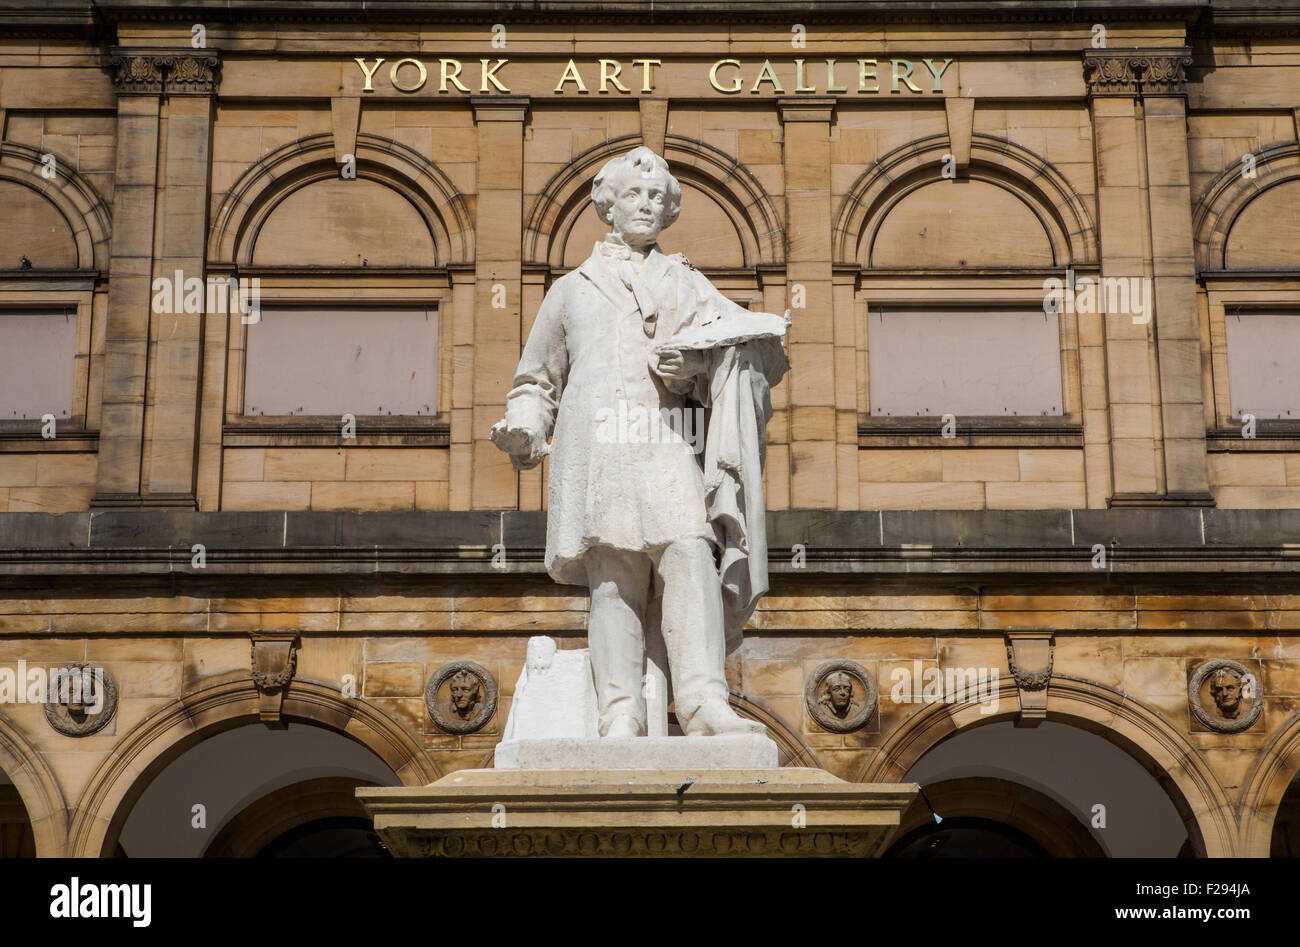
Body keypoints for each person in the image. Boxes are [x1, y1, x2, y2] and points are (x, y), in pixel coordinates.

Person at [491, 146, 788, 738]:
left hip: (671, 443)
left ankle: (703, 702)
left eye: (658, 197)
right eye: (635, 195)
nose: (648, 205)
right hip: (600, 453)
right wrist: (525, 425)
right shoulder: (570, 290)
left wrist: (697, 371)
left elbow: (760, 352)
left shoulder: (689, 284)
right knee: (614, 576)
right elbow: (536, 380)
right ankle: (619, 711)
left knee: (688, 553)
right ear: (608, 204)